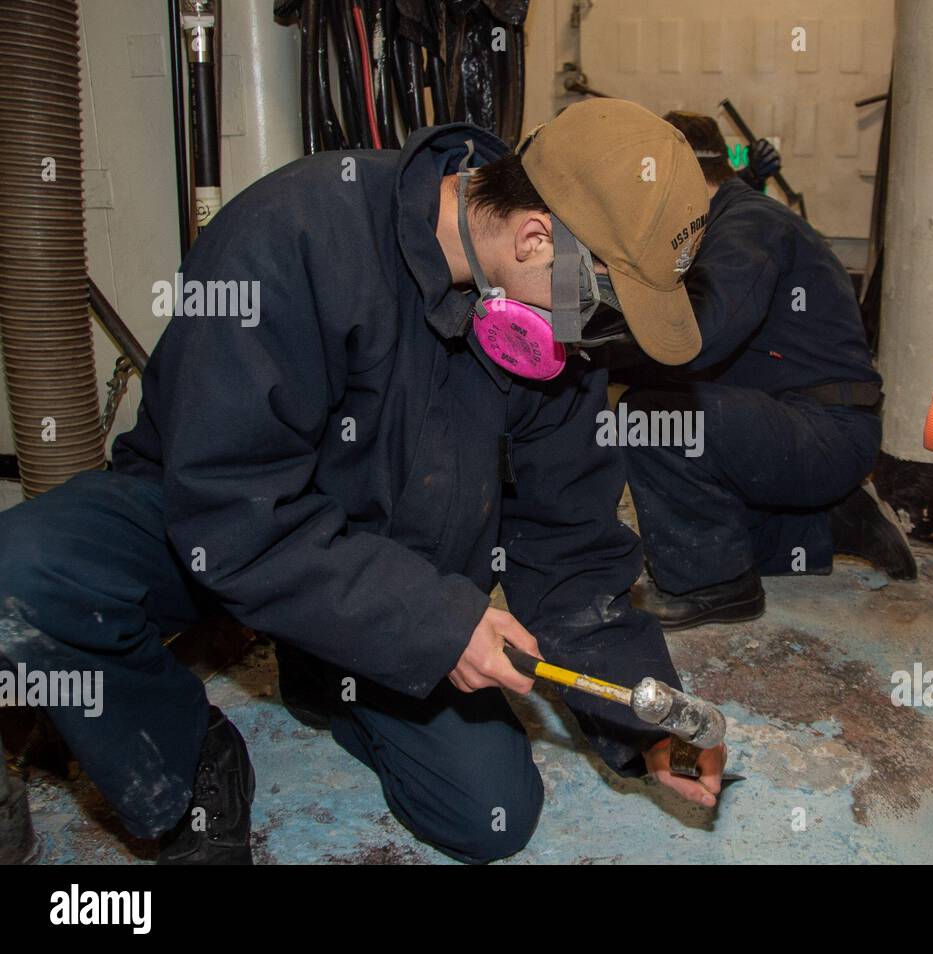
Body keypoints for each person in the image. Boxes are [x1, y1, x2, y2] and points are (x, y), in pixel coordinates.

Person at [0, 99, 725, 865]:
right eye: (604, 302)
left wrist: (646, 719)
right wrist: (429, 624)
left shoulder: (547, 334)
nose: (599, 332)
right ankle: (192, 766)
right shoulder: (293, 234)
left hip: (379, 571)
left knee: (490, 818)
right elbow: (231, 508)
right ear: (536, 236)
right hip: (210, 525)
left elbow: (569, 540)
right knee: (24, 576)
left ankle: (325, 666)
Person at [622, 111, 916, 633]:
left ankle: (712, 585)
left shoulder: (747, 223)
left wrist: (597, 349)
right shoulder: (735, 217)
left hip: (826, 430)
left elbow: (702, 336)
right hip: (814, 423)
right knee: (699, 500)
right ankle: (827, 524)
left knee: (653, 416)